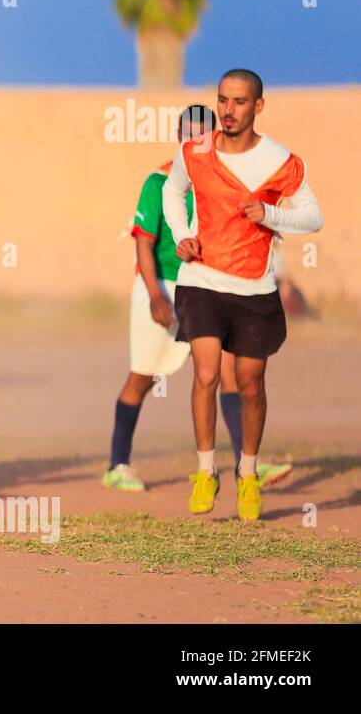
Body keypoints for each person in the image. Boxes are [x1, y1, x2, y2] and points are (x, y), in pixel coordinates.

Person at [103, 105, 291, 491]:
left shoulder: (223, 180)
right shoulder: (159, 181)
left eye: (203, 134)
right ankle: (117, 465)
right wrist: (155, 294)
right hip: (163, 288)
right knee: (143, 377)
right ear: (178, 136)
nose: (196, 141)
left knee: (228, 374)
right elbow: (144, 241)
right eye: (188, 134)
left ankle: (246, 465)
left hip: (207, 287)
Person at [164, 69, 323, 521]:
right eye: (222, 100)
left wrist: (270, 212)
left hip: (254, 286)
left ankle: (248, 475)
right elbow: (174, 193)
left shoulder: (279, 161)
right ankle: (204, 470)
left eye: (238, 102)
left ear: (258, 106)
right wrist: (181, 235)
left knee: (251, 386)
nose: (228, 111)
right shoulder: (194, 151)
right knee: (206, 373)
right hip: (202, 279)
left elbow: (313, 216)